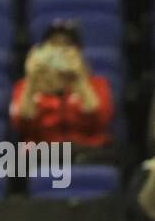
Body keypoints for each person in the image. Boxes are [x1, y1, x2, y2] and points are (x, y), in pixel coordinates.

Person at [10, 20, 115, 162]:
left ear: (79, 52)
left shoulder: (97, 84)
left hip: (87, 153)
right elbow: (22, 123)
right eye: (54, 45)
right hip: (42, 155)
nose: (59, 51)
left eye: (66, 45)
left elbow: (100, 118)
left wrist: (79, 79)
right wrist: (31, 79)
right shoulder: (26, 86)